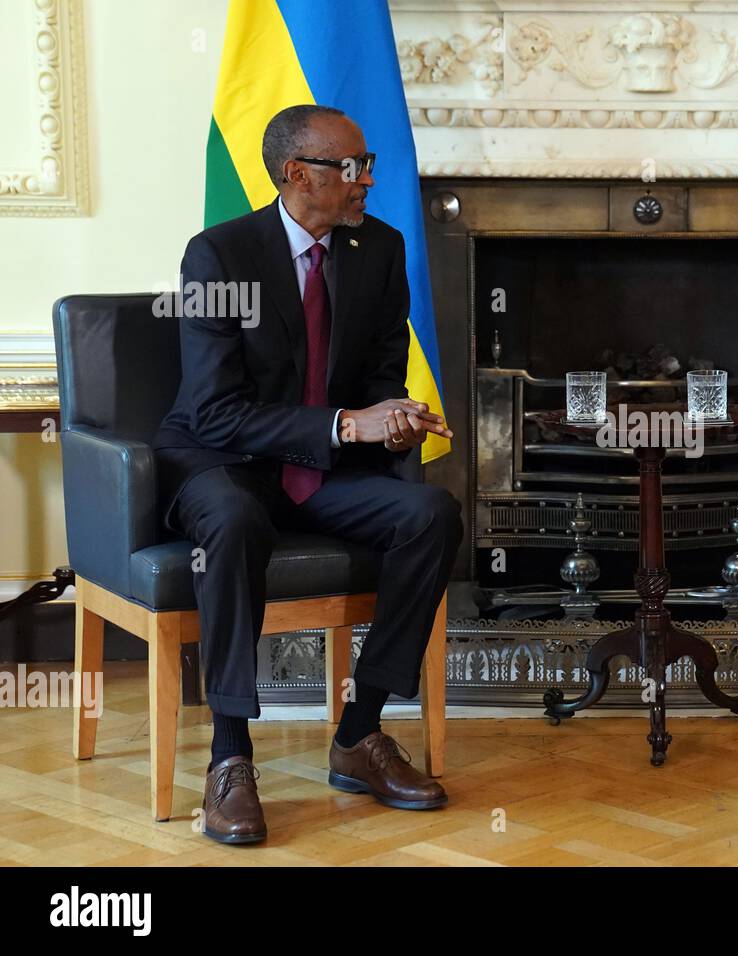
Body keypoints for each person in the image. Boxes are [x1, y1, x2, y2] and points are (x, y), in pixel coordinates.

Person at [153, 104, 463, 844]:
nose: (366, 182)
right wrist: (340, 424)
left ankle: (359, 733)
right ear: (297, 174)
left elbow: (380, 372)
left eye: (368, 166)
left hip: (327, 471)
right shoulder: (217, 257)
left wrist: (390, 415)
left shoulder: (379, 250)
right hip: (225, 463)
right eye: (349, 167)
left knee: (432, 516)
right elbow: (216, 411)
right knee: (231, 521)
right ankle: (230, 757)